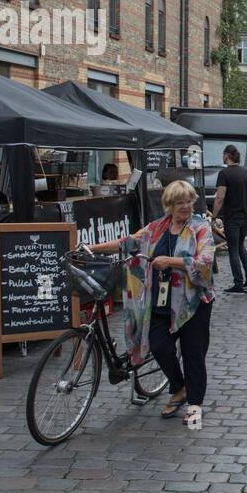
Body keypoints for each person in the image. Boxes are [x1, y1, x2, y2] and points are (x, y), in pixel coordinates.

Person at [88, 180, 215, 425]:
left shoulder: (200, 227)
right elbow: (128, 243)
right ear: (169, 205)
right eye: (180, 202)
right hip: (161, 300)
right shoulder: (157, 228)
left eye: (189, 201)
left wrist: (171, 261)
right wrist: (92, 248)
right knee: (159, 347)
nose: (186, 206)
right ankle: (179, 387)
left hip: (193, 304)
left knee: (193, 355)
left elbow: (205, 262)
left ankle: (195, 406)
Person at [211, 144, 247, 294]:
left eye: (223, 154)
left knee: (233, 250)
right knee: (240, 246)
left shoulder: (224, 173)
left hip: (232, 217)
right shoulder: (245, 172)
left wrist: (214, 215)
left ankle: (238, 283)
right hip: (245, 215)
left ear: (227, 156)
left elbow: (219, 197)